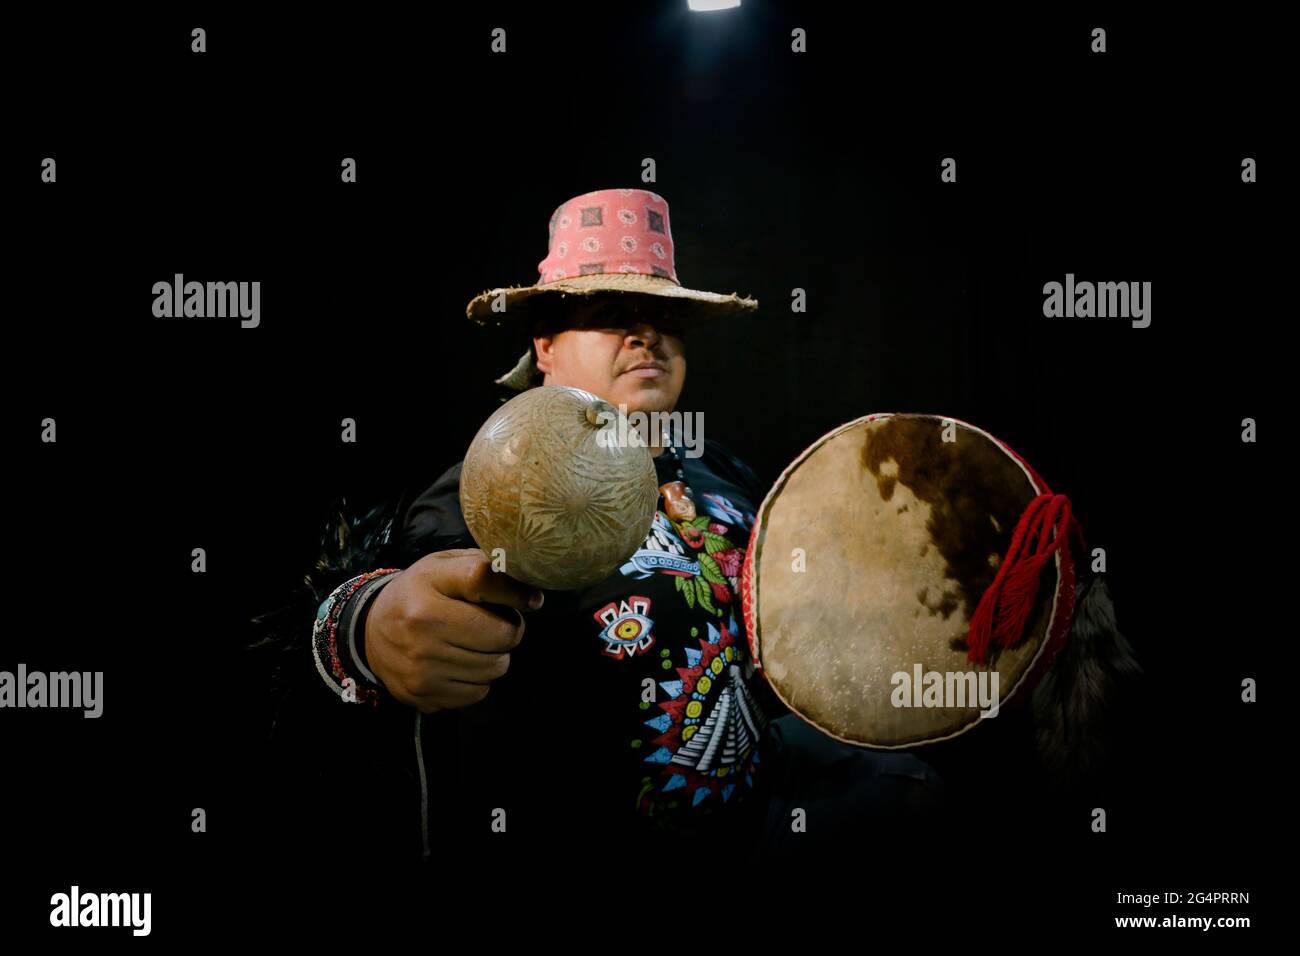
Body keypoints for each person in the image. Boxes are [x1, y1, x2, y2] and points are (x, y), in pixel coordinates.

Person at [250, 188, 945, 866]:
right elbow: (411, 590)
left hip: (757, 822)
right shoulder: (498, 483)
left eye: (663, 316)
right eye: (611, 313)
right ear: (544, 346)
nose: (647, 334)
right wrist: (367, 627)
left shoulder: (722, 471)